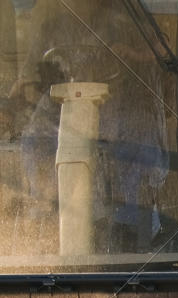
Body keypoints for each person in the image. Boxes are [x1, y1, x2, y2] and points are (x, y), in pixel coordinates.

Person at [10, 0, 169, 253]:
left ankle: (128, 225)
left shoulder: (128, 16)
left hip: (121, 96)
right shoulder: (50, 27)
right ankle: (46, 213)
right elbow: (29, 76)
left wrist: (133, 54)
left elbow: (163, 50)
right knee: (34, 138)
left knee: (135, 136)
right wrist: (20, 91)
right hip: (61, 102)